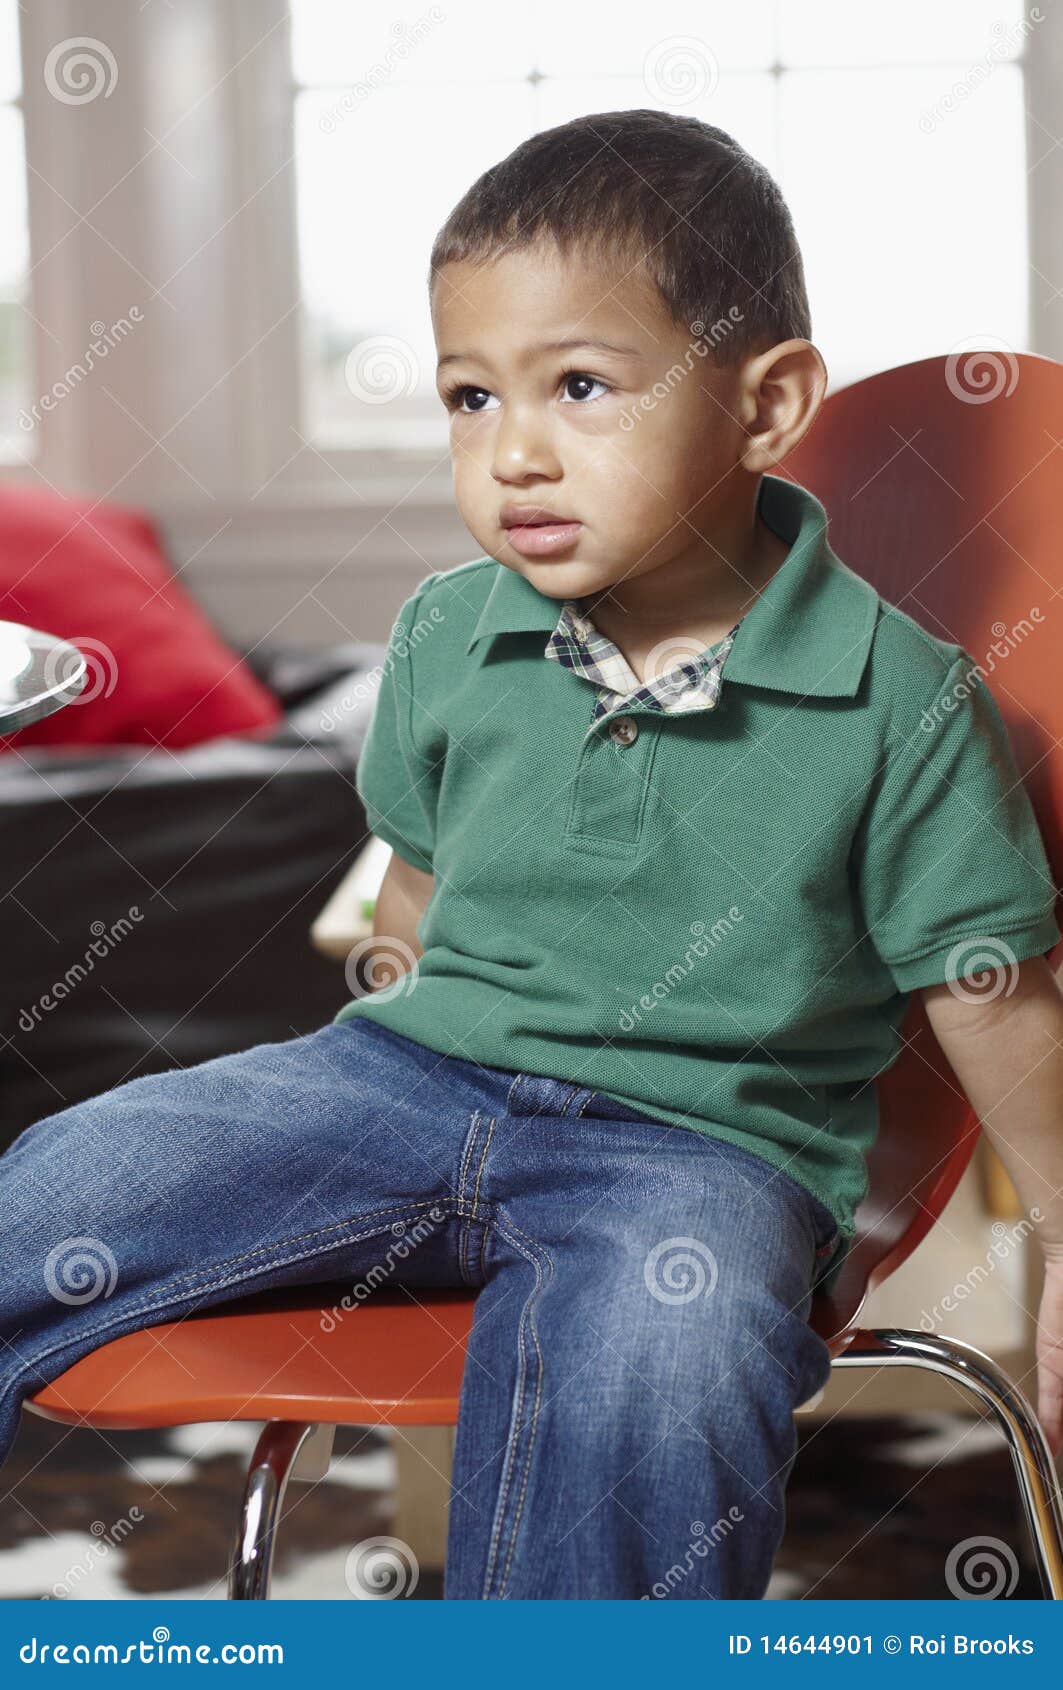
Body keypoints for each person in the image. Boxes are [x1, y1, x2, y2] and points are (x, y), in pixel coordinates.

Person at [2, 110, 1062, 1601]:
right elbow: (422, 898)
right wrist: (352, 1084)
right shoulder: (447, 632)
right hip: (410, 1084)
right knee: (55, 1180)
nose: (513, 452)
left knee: (658, 1364)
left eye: (578, 385)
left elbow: (995, 992)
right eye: (467, 396)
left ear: (765, 408)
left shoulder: (901, 700)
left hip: (698, 1153)